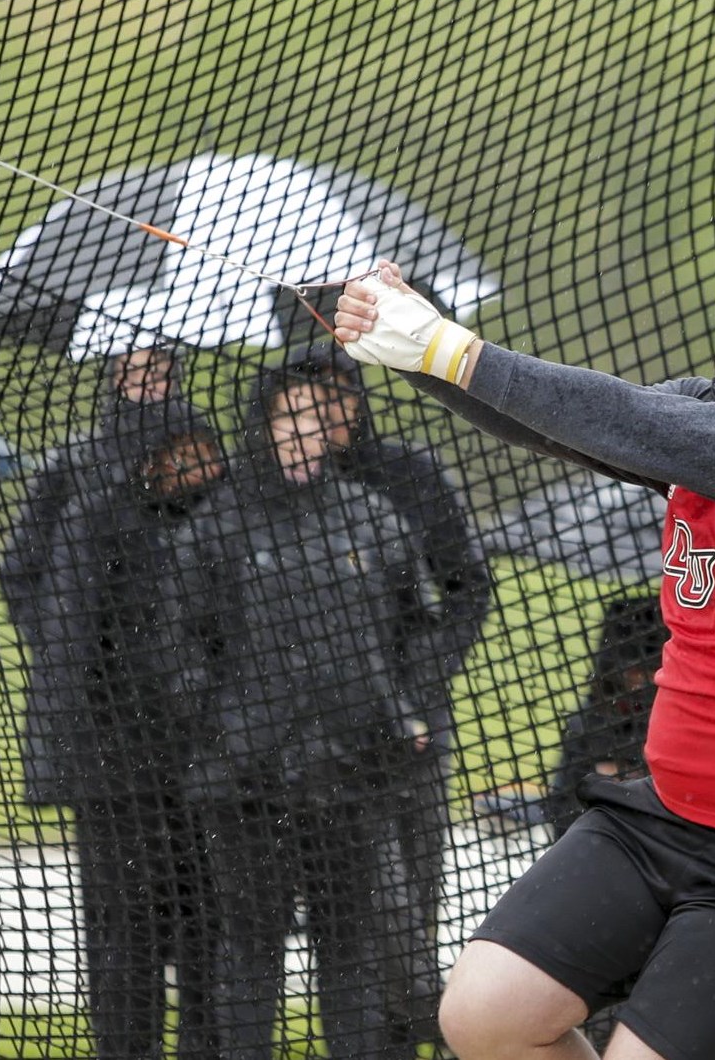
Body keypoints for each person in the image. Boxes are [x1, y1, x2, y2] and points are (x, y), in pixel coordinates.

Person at [335, 250, 715, 1060]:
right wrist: (413, 352)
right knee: (486, 1017)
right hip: (671, 815)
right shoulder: (703, 422)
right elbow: (578, 422)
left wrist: (449, 347)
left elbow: (642, 422)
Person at [196, 356, 449, 1059]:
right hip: (245, 784)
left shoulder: (371, 517)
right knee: (249, 948)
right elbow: (176, 643)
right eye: (288, 423)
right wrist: (223, 727)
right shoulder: (218, 522)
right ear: (263, 430)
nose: (302, 437)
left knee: (352, 949)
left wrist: (405, 711)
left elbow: (419, 625)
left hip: (352, 774)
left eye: (315, 425)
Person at [252, 342, 492, 1047]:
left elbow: (466, 587)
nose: (328, 412)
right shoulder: (265, 493)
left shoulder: (406, 475)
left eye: (341, 396)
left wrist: (415, 686)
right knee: (337, 924)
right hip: (299, 744)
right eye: (308, 398)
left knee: (402, 919)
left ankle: (402, 1040)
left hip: (404, 736)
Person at [27, 398, 233, 1059]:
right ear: (151, 460)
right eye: (184, 455)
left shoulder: (224, 521)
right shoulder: (97, 519)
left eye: (208, 454)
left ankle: (203, 1046)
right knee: (127, 931)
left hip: (204, 760)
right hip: (117, 767)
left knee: (209, 922)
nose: (199, 469)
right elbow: (65, 637)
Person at [0, 343, 183, 671]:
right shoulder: (72, 464)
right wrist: (51, 637)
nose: (143, 385)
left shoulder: (195, 467)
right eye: (130, 372)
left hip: (161, 671)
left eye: (156, 373)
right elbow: (22, 565)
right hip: (73, 666)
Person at [547, 595, 667, 837]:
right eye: (635, 673)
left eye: (648, 673)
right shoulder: (592, 719)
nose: (640, 683)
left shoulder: (669, 716)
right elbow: (561, 808)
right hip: (600, 840)